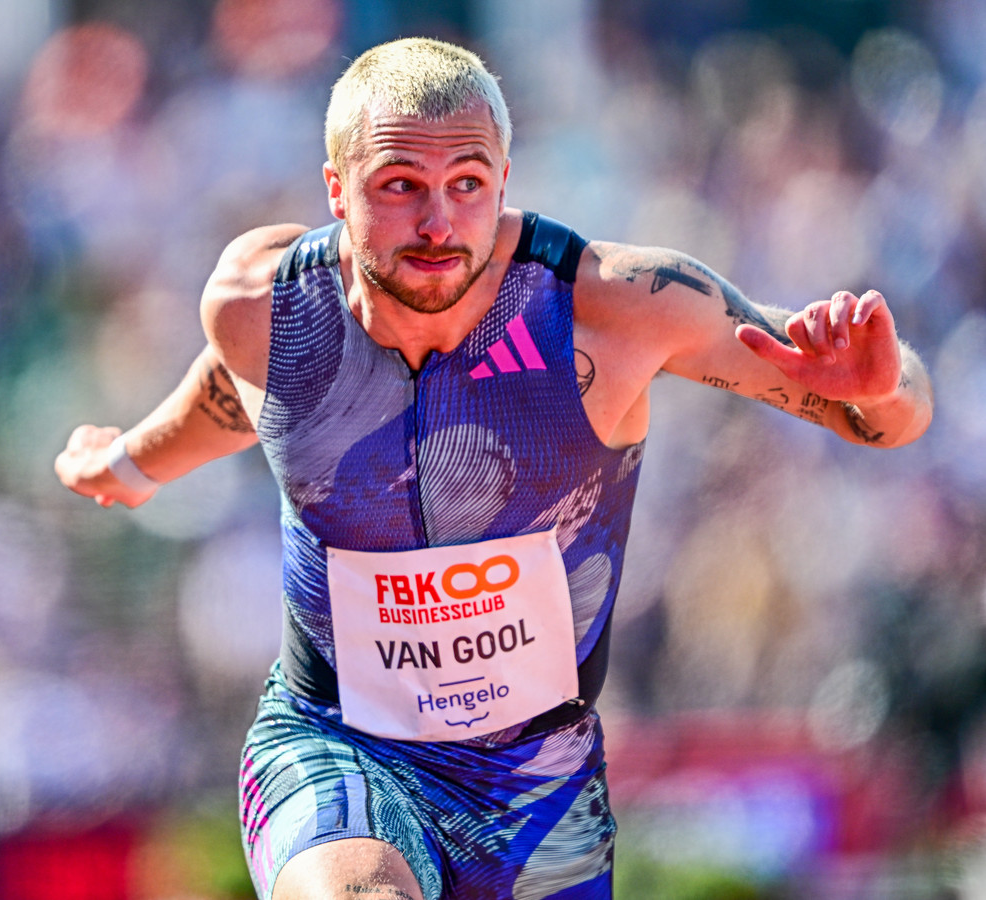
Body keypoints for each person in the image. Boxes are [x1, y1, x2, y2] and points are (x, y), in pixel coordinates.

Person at [55, 37, 932, 900]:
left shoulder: (612, 310)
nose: (439, 222)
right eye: (400, 186)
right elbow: (240, 383)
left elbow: (887, 412)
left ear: (504, 180)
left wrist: (882, 390)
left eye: (467, 184)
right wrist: (133, 460)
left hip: (537, 786)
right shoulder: (266, 302)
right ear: (336, 191)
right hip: (336, 744)